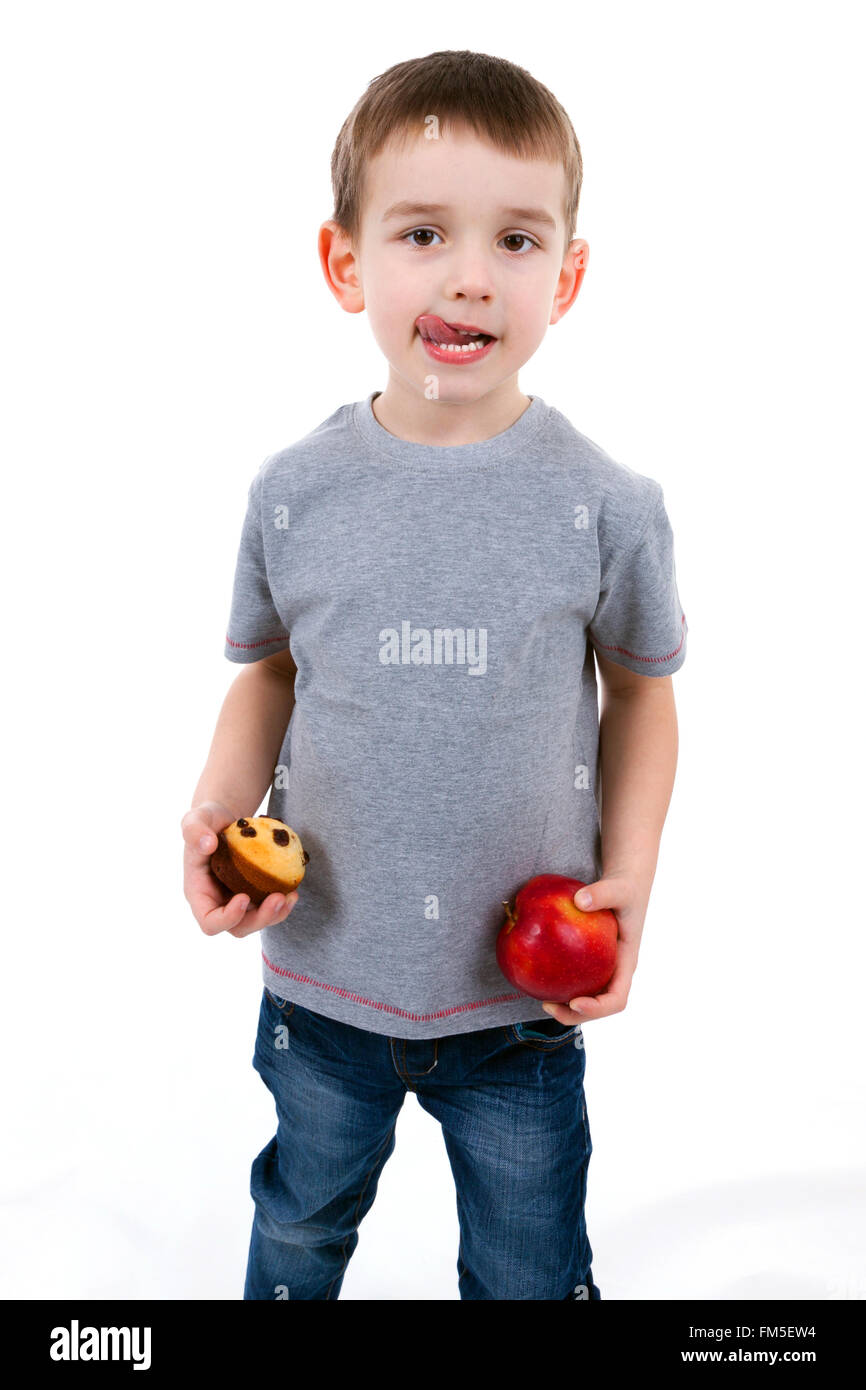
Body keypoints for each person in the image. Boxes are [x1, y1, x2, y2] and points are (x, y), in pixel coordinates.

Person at [180, 49, 688, 1301]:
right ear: (344, 262)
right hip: (322, 980)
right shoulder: (294, 494)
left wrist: (630, 880)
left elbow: (640, 692)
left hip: (520, 1008)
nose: (469, 274)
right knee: (297, 1229)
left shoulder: (605, 503)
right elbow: (268, 675)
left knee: (528, 1265)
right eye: (422, 233)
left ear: (565, 277)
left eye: (516, 241)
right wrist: (215, 814)